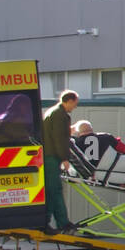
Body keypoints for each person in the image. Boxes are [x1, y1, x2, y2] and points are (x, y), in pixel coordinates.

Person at [41, 90, 79, 234]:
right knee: (53, 190)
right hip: (52, 156)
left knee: (55, 190)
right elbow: (59, 138)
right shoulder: (60, 115)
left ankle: (63, 222)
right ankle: (46, 223)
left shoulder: (53, 112)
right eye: (74, 104)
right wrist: (65, 158)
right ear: (69, 101)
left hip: (49, 155)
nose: (74, 107)